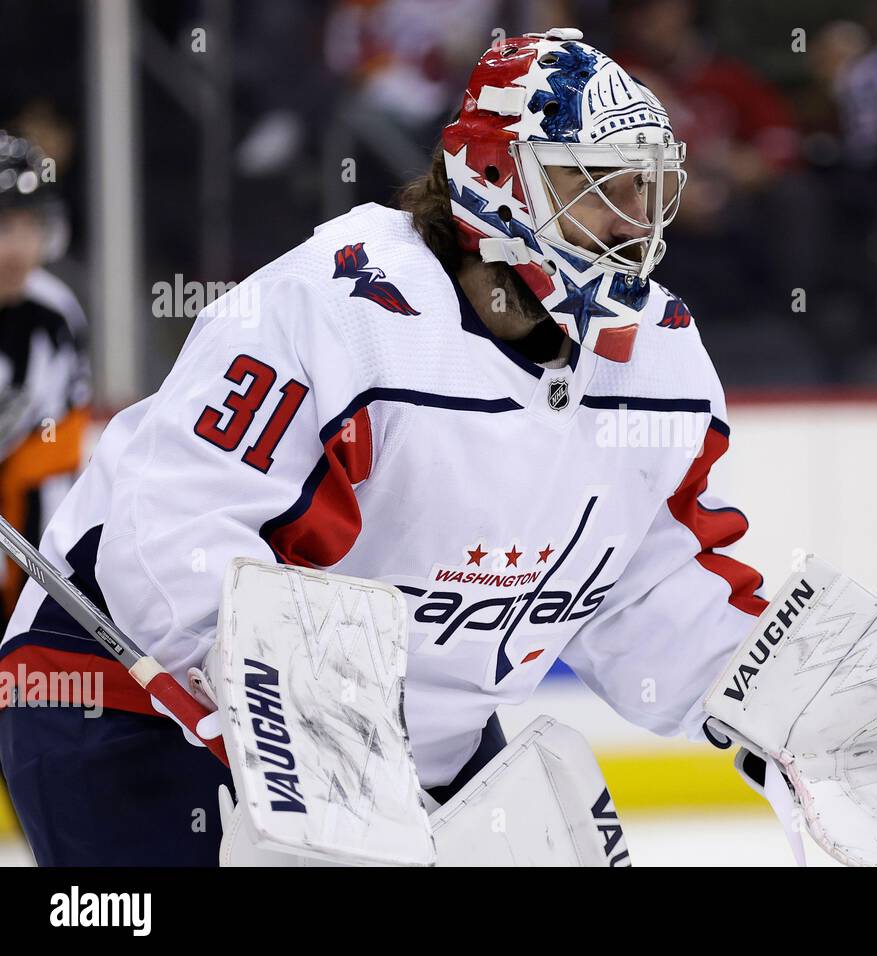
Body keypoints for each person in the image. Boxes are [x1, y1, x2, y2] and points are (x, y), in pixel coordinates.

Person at [0, 29, 766, 865]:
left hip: (412, 738)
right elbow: (173, 542)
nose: (629, 217)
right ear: (496, 180)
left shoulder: (658, 360)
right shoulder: (339, 309)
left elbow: (661, 598)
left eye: (642, 187)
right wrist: (319, 756)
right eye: (593, 184)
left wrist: (803, 710)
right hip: (138, 706)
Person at [0, 132, 90, 627]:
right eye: (4, 225)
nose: (20, 246)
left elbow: (50, 464)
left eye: (32, 225)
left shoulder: (53, 316)